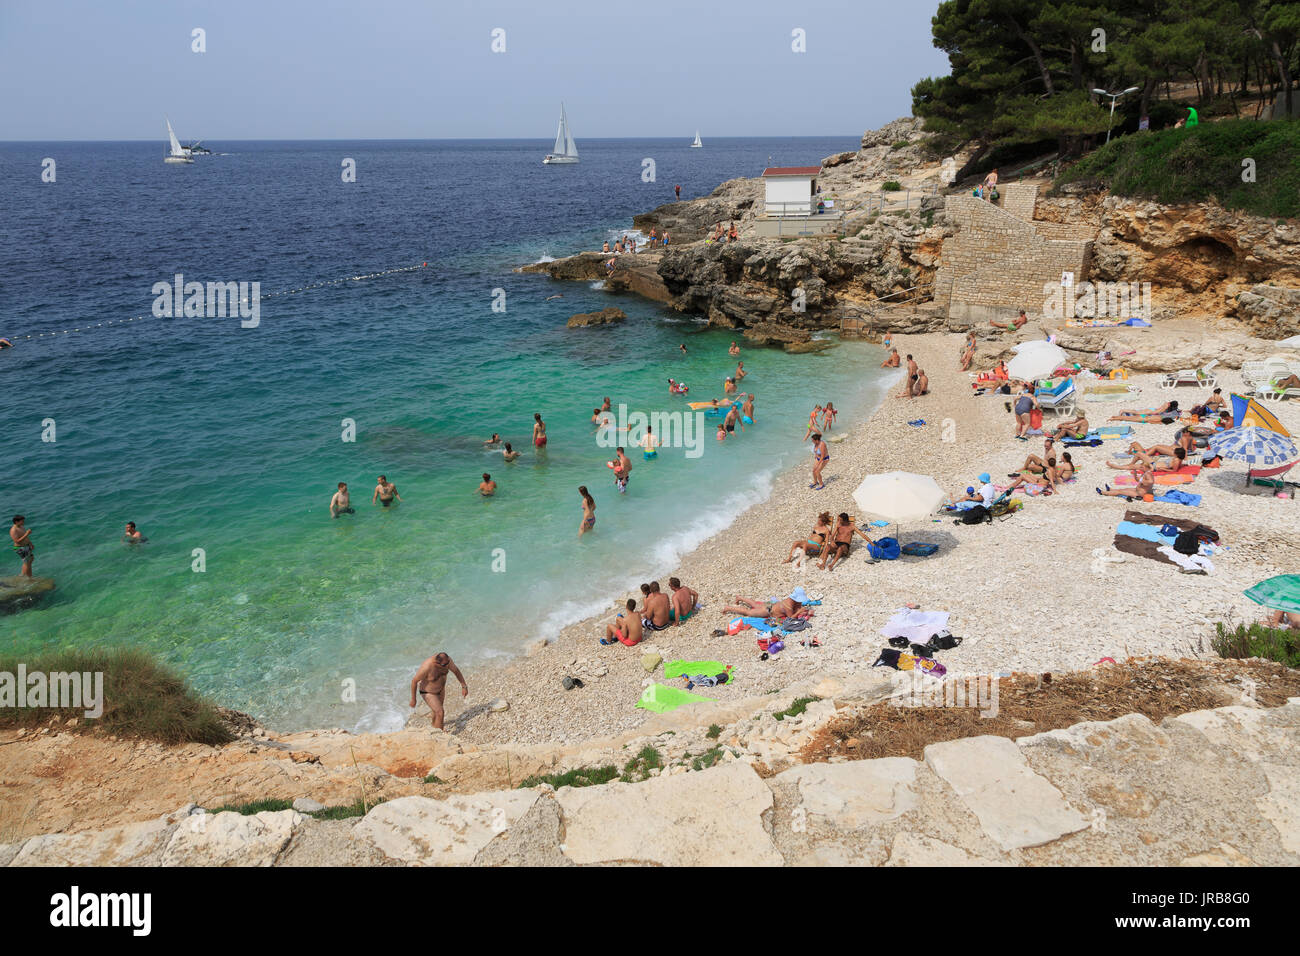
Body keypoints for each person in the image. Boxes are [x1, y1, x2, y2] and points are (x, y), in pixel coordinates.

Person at [409, 652, 468, 731]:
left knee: (436, 712)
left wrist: (464, 686)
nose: (447, 666)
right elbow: (414, 681)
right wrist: (413, 699)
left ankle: (434, 727)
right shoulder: (427, 667)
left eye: (448, 663)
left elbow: (456, 671)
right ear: (436, 663)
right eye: (444, 665)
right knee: (440, 712)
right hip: (428, 692)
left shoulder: (446, 661)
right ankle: (440, 736)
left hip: (441, 690)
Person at [722, 587, 806, 619]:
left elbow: (797, 604)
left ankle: (740, 597)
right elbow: (791, 618)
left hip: (771, 604)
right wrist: (799, 612)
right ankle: (728, 608)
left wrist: (800, 607)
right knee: (748, 612)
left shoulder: (790, 599)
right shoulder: (788, 607)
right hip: (767, 611)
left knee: (755, 604)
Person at [1109, 400, 1179, 424]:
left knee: (1135, 413)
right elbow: (1157, 412)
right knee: (1135, 414)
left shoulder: (1167, 404)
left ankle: (1117, 415)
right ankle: (1121, 412)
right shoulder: (1166, 406)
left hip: (1151, 411)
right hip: (1151, 413)